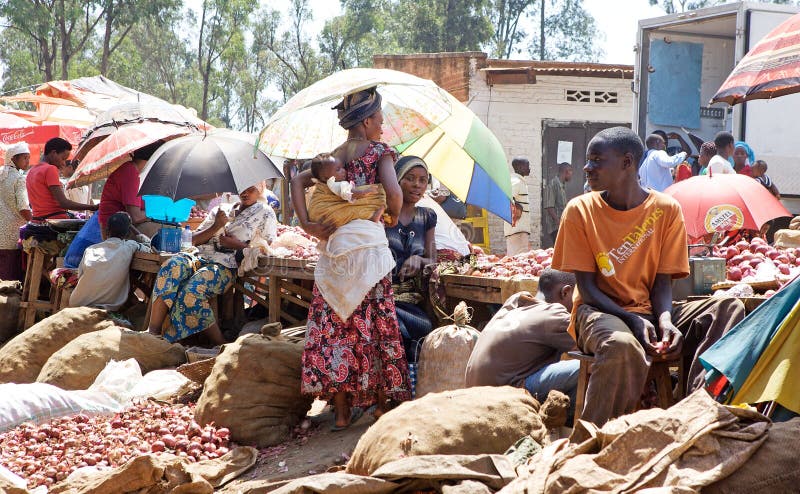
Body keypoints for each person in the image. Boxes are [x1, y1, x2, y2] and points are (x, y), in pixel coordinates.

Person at [552, 126, 746, 427]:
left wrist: (665, 320)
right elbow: (588, 289)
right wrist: (632, 320)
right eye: (588, 161)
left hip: (650, 309)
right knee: (622, 345)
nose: (587, 168)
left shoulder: (666, 209)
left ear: (627, 162)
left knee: (728, 308)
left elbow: (662, 284)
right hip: (600, 311)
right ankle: (593, 443)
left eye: (596, 160)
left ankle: (697, 409)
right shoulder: (580, 210)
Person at [294, 87, 409, 431]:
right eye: (380, 119)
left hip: (335, 252)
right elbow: (394, 195)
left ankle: (342, 414)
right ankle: (379, 406)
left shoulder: (330, 157)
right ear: (367, 119)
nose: (382, 125)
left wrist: (307, 224)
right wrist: (390, 214)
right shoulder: (379, 153)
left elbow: (296, 181)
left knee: (337, 328)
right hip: (368, 253)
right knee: (376, 324)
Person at [147, 182, 277, 346]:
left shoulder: (265, 213)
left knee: (193, 290)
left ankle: (218, 343)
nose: (245, 193)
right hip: (198, 255)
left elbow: (265, 249)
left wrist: (235, 244)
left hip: (226, 264)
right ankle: (153, 333)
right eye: (242, 188)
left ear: (260, 190)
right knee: (171, 266)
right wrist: (217, 225)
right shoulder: (221, 210)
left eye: (251, 189)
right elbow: (192, 240)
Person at [465, 268, 579, 417]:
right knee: (588, 367)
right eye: (578, 297)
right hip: (506, 394)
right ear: (565, 292)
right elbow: (596, 345)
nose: (579, 303)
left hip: (474, 394)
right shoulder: (553, 314)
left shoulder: (514, 305)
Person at [385, 156, 437, 362]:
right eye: (410, 178)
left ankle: (411, 388)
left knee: (423, 328)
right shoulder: (382, 215)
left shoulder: (427, 216)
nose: (417, 185)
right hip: (383, 299)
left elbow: (433, 258)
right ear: (396, 180)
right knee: (399, 330)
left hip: (411, 301)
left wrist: (420, 261)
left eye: (423, 180)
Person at [69, 212, 150, 310]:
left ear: (106, 231)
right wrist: (132, 228)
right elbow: (149, 245)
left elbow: (80, 276)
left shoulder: (91, 249)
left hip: (77, 303)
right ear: (128, 233)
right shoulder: (130, 246)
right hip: (105, 308)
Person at [97, 141, 163, 239]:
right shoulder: (130, 173)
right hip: (116, 231)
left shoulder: (139, 173)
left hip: (129, 227)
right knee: (168, 230)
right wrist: (160, 210)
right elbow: (136, 217)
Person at [307, 152, 386, 226]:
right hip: (329, 214)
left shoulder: (324, 184)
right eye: (338, 169)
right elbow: (348, 193)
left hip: (320, 215)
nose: (343, 171)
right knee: (352, 212)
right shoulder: (334, 184)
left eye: (342, 167)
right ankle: (370, 218)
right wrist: (364, 191)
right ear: (325, 178)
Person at [26, 137, 97, 220]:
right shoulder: (50, 169)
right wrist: (92, 207)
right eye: (63, 158)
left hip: (37, 220)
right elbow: (63, 203)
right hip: (54, 220)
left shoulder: (31, 171)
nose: (63, 163)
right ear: (53, 153)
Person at [0, 142, 32, 281]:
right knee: (8, 275)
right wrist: (33, 221)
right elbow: (23, 207)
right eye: (25, 158)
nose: (28, 161)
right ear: (13, 159)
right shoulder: (19, 179)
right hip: (11, 236)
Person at [417, 192, 471, 262]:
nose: (416, 184)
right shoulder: (427, 200)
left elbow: (442, 196)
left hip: (451, 257)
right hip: (466, 253)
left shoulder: (416, 205)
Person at [504, 157, 531, 256]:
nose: (529, 168)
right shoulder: (517, 181)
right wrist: (518, 207)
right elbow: (507, 196)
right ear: (520, 167)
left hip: (518, 230)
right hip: (517, 230)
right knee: (519, 259)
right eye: (527, 166)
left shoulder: (518, 181)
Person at [543, 162, 573, 247]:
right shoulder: (552, 184)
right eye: (570, 172)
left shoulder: (562, 185)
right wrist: (558, 222)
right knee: (558, 248)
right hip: (555, 227)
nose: (571, 175)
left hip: (561, 224)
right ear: (566, 172)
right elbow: (549, 207)